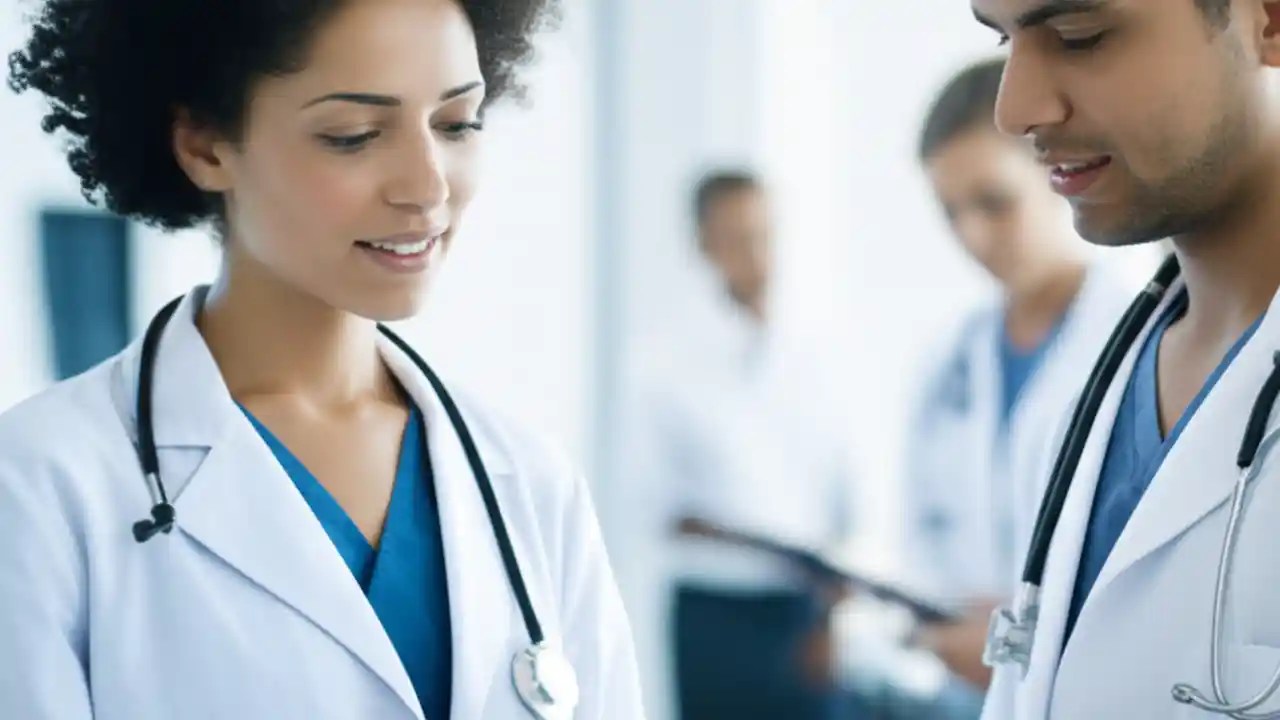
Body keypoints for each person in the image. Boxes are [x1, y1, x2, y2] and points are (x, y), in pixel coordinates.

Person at [0, 1, 644, 718]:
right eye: (354, 136)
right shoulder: (40, 483)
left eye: (457, 123)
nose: (427, 186)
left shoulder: (530, 482)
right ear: (205, 146)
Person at [969, 0, 1280, 718]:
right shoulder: (1080, 409)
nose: (1015, 111)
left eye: (1081, 36)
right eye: (1004, 41)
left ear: (1266, 20)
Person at [885, 57, 1136, 718]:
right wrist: (935, 623)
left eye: (994, 203)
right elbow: (920, 535)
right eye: (951, 212)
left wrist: (1008, 641)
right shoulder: (948, 362)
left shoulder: (1140, 343)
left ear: (1058, 174)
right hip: (958, 697)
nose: (972, 236)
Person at [629, 170, 859, 720]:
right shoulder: (664, 362)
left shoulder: (816, 353)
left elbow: (844, 498)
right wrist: (781, 547)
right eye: (736, 238)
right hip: (714, 614)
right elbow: (661, 510)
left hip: (802, 612)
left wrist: (830, 616)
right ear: (704, 245)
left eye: (763, 235)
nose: (756, 255)